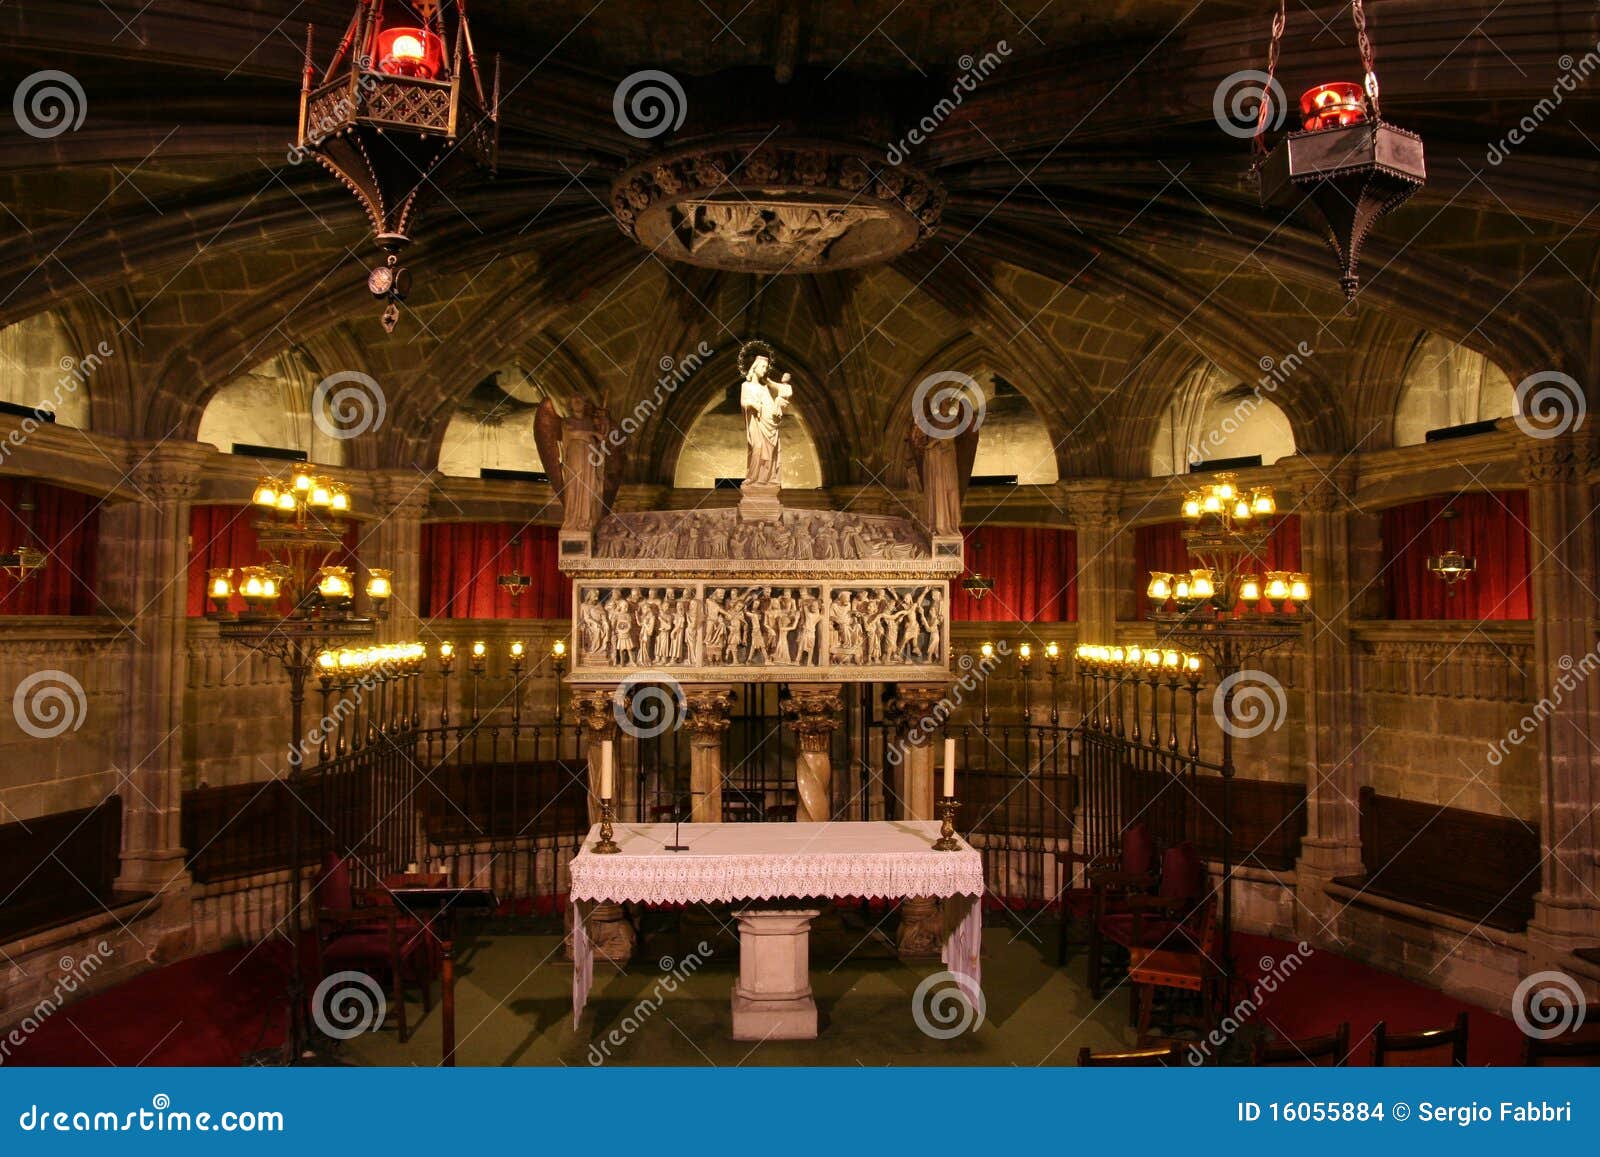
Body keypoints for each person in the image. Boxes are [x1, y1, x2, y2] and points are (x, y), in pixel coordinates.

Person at [738, 341, 793, 487]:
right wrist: (752, 404)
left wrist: (778, 407)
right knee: (757, 447)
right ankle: (753, 477)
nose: (764, 370)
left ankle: (765, 478)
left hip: (768, 423)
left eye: (766, 367)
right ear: (754, 368)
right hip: (756, 422)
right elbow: (743, 402)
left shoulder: (764, 388)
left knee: (769, 452)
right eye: (762, 367)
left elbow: (770, 405)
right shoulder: (746, 385)